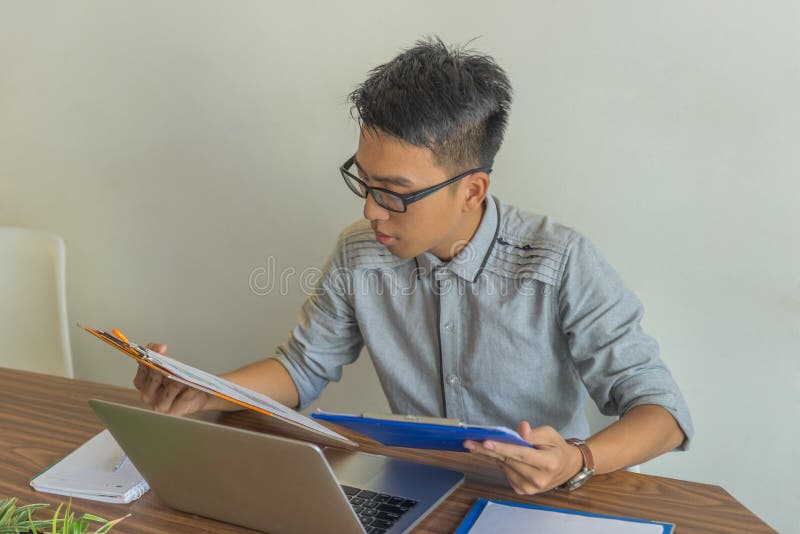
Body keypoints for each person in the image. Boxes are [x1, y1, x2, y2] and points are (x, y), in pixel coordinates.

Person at [134, 38, 692, 495]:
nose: (371, 209)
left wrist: (578, 458)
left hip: (539, 496)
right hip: (415, 485)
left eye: (395, 192)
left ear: (472, 190)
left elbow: (663, 413)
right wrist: (202, 390)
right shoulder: (359, 252)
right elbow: (302, 369)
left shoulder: (559, 261)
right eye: (365, 182)